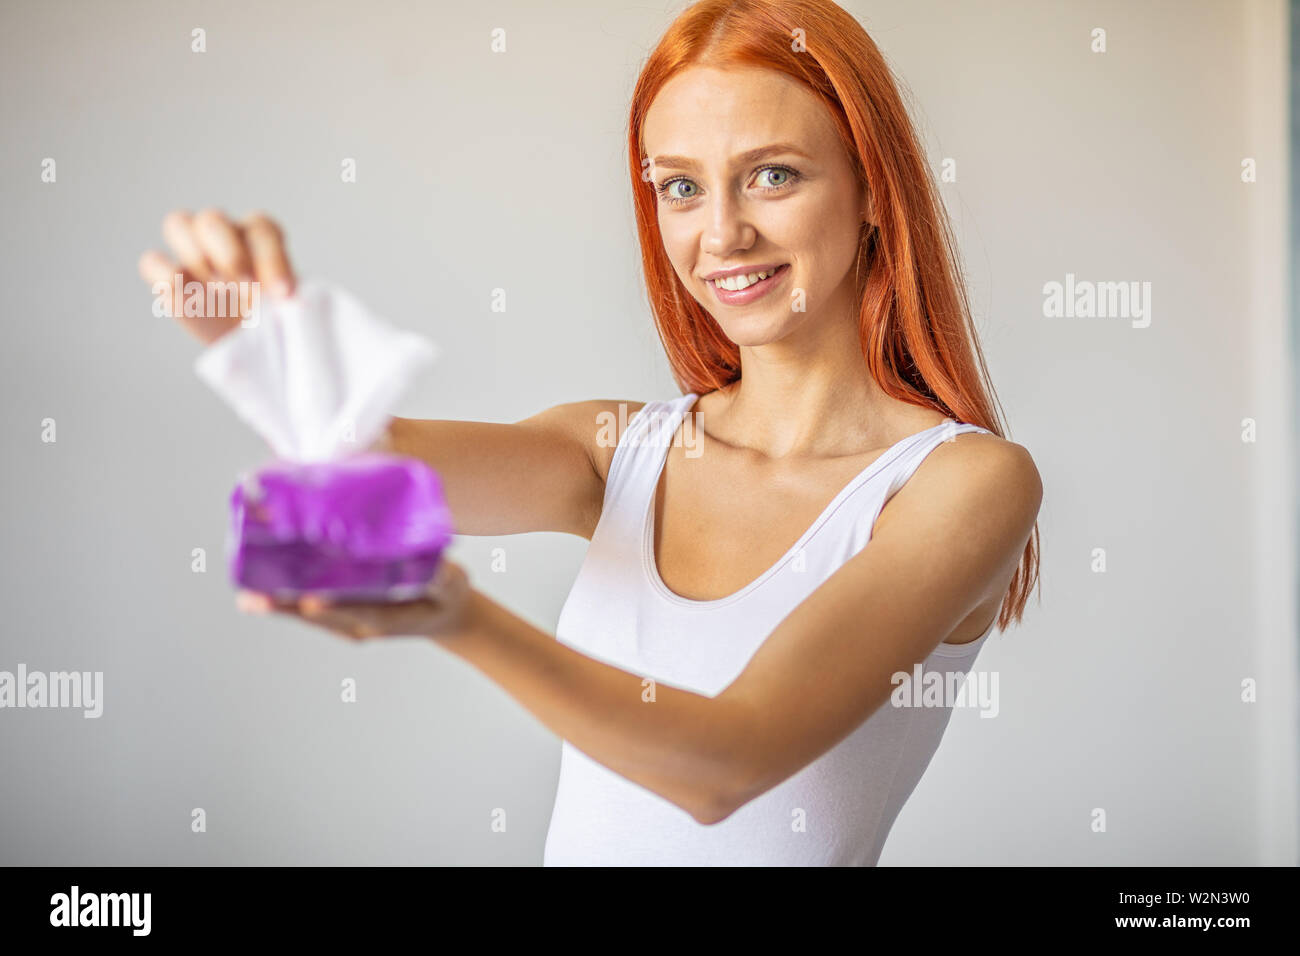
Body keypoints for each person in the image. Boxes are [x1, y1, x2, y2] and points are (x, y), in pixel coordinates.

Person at [137, 0, 1042, 866]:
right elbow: (372, 462)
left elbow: (728, 764)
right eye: (681, 187)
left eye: (773, 173)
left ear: (873, 187)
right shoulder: (613, 451)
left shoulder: (962, 484)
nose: (721, 233)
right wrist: (282, 359)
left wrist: (457, 616)